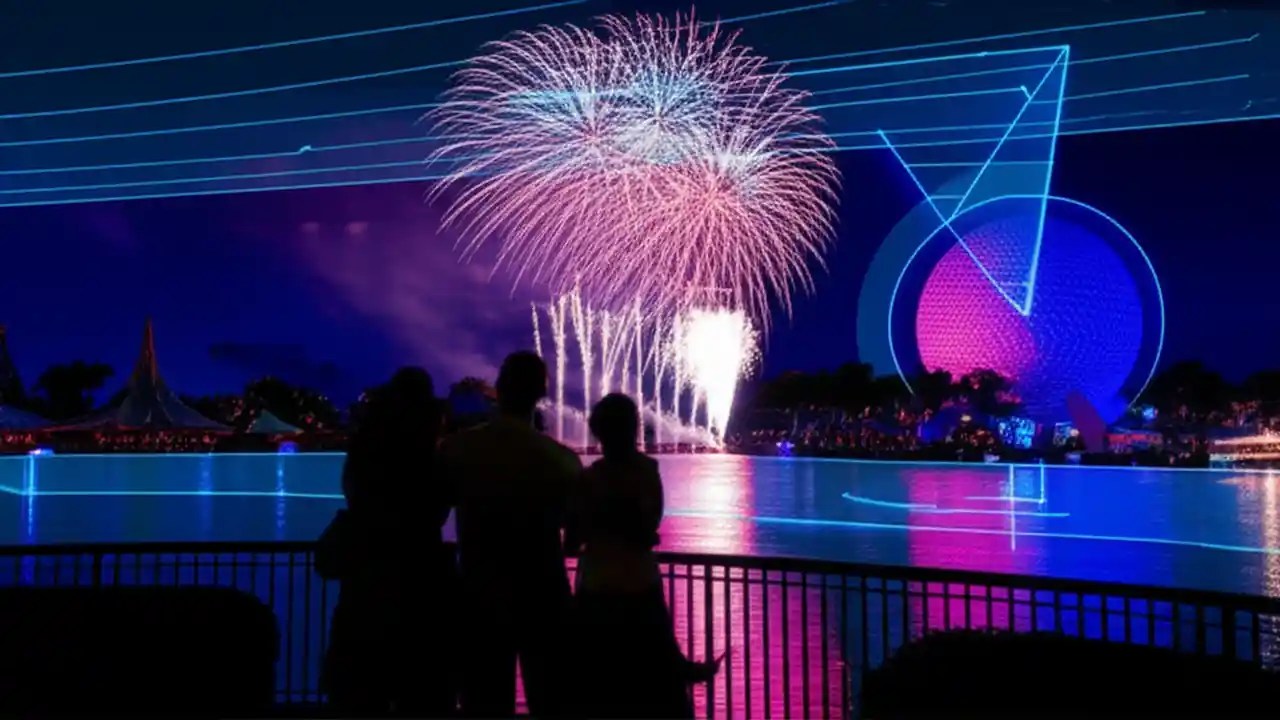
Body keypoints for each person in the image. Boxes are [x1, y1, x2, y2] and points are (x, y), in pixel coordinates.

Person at [438, 351, 582, 717]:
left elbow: (434, 511)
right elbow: (576, 531)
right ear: (540, 395)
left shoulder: (457, 450)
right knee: (553, 700)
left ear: (498, 390)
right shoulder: (562, 461)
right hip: (544, 595)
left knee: (483, 702)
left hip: (480, 594)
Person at [567, 393, 720, 719]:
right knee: (656, 678)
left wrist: (599, 527)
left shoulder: (589, 480)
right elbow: (647, 526)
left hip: (598, 586)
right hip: (641, 584)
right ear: (634, 429)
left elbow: (573, 539)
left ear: (598, 432)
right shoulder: (648, 473)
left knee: (599, 679)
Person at [315, 367, 456, 716]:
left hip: (365, 597)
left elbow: (355, 496)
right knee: (423, 695)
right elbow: (439, 509)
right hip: (423, 596)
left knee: (359, 693)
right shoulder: (434, 461)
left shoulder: (366, 452)